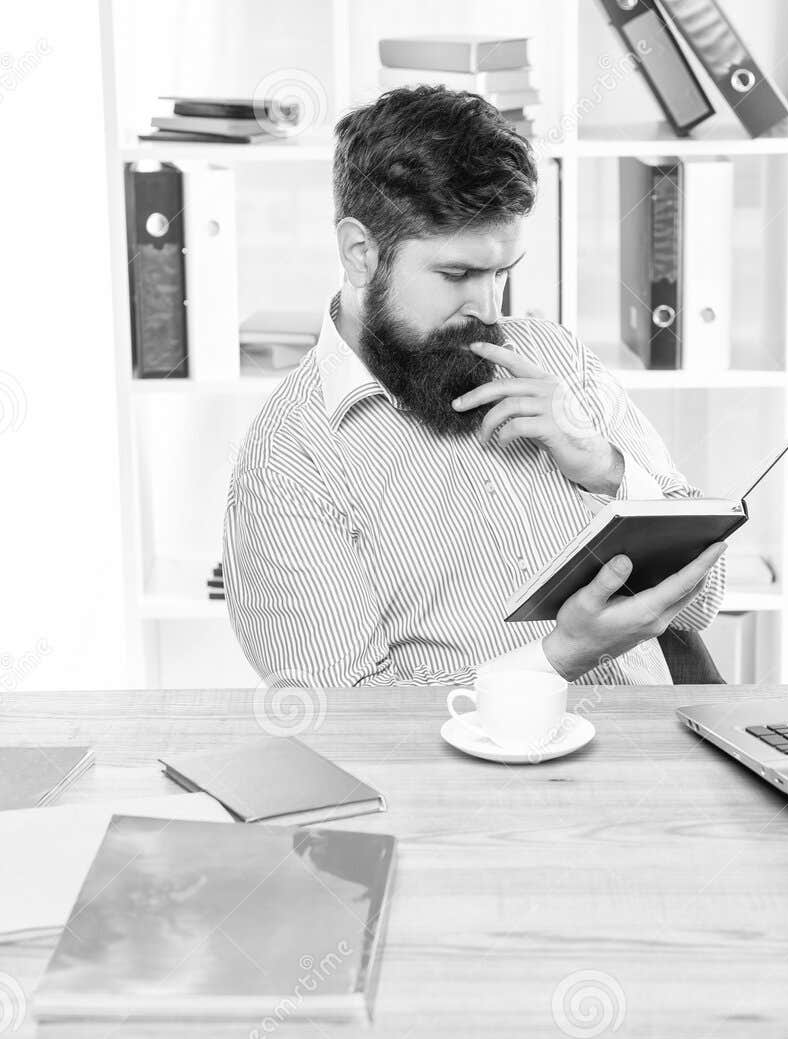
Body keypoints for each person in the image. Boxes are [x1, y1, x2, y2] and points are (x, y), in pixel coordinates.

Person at [223, 86, 725, 687]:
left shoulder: (552, 354)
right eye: (457, 274)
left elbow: (703, 602)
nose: (488, 308)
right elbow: (346, 724)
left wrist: (606, 468)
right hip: (474, 781)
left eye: (502, 273)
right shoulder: (289, 461)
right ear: (360, 253)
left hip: (653, 757)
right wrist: (561, 657)